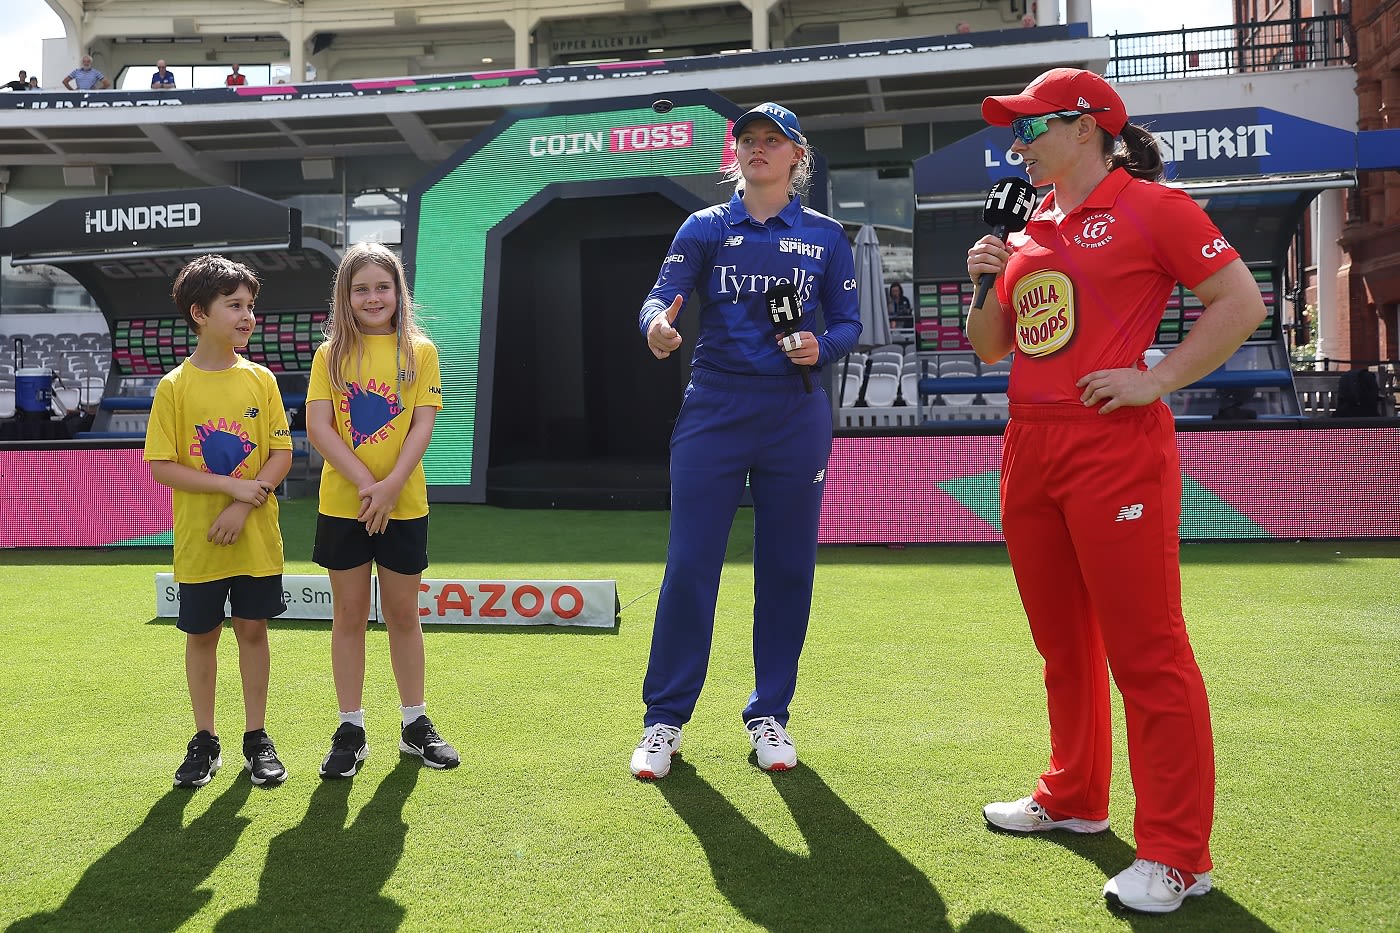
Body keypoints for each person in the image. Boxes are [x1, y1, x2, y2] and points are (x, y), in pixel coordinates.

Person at [964, 68, 1267, 914]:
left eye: (1031, 125)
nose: (1017, 140)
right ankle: (1075, 796)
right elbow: (991, 345)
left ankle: (1177, 854)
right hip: (1030, 444)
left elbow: (1238, 301)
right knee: (1062, 642)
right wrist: (989, 271)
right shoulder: (1030, 227)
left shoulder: (1154, 207)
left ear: (1089, 127)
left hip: (1112, 449)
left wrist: (1158, 378)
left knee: (1146, 649)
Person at [630, 102, 861, 780]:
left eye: (772, 140)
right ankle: (663, 721)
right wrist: (655, 327)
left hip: (795, 415)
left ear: (797, 156)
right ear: (736, 155)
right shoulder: (706, 225)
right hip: (715, 412)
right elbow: (660, 296)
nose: (757, 149)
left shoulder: (825, 236)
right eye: (748, 140)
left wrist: (822, 345)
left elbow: (849, 324)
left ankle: (770, 716)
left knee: (786, 568)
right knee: (690, 567)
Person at [305, 241, 459, 779]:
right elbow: (320, 427)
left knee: (402, 615)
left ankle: (415, 724)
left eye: (382, 287)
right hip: (344, 505)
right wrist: (369, 484)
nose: (373, 297)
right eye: (361, 288)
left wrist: (392, 486)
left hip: (404, 503)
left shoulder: (421, 351)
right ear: (345, 297)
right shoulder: (330, 356)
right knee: (347, 617)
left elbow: (421, 425)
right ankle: (351, 728)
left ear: (398, 292)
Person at [143, 254, 294, 789]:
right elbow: (162, 466)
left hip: (255, 539)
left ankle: (258, 738)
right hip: (199, 543)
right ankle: (205, 740)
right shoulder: (174, 387)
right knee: (202, 633)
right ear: (198, 313)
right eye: (235, 305)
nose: (247, 316)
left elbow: (280, 456)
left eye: (251, 306)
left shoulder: (262, 380)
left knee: (252, 630)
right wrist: (230, 487)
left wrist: (242, 504)